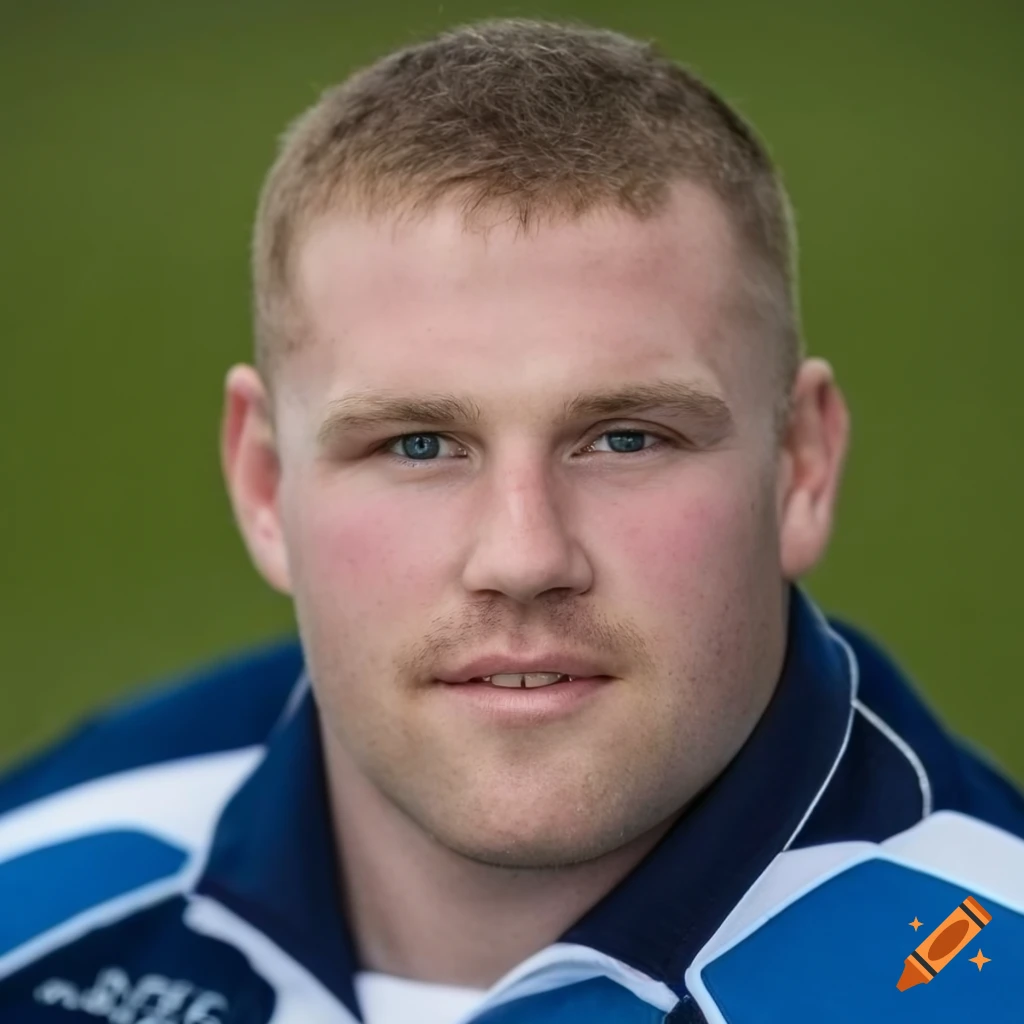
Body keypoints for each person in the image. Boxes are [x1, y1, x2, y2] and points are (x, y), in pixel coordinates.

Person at [1, 17, 1022, 1024]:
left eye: (625, 438)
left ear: (799, 464)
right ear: (264, 483)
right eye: (416, 444)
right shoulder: (37, 879)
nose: (523, 556)